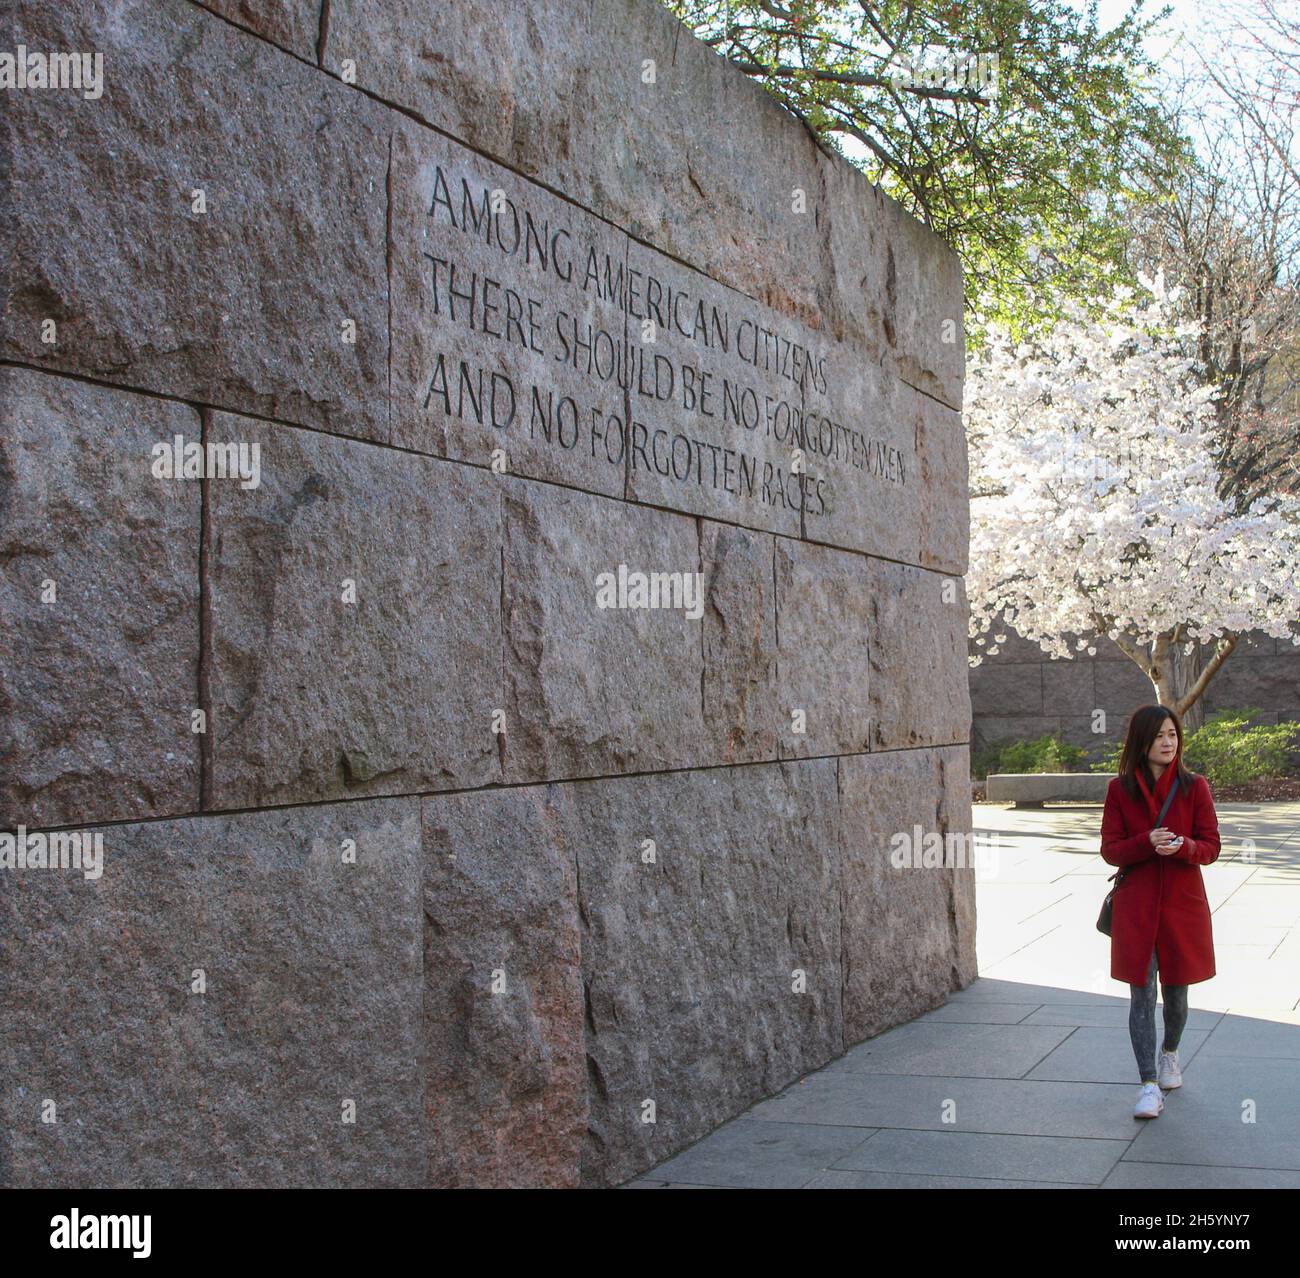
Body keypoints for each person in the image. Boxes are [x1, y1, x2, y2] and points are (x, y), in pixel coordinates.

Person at [1099, 704, 1220, 1119]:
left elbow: (1212, 847)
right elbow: (1110, 850)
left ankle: (1170, 1051)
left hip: (1181, 905)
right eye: (1160, 736)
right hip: (1136, 905)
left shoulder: (1194, 787)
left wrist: (1184, 847)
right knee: (1140, 992)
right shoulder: (1119, 790)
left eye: (1173, 735)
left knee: (1177, 996)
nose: (1168, 743)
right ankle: (1148, 1083)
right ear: (1141, 741)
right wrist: (1145, 842)